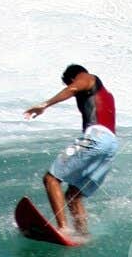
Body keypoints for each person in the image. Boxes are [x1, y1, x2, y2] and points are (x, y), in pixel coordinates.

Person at [24, 64, 118, 238]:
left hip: (97, 136)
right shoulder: (106, 94)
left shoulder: (88, 78)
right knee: (73, 195)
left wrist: (45, 104)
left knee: (51, 179)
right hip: (111, 145)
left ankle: (63, 228)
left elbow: (74, 87)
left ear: (73, 77)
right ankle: (83, 234)